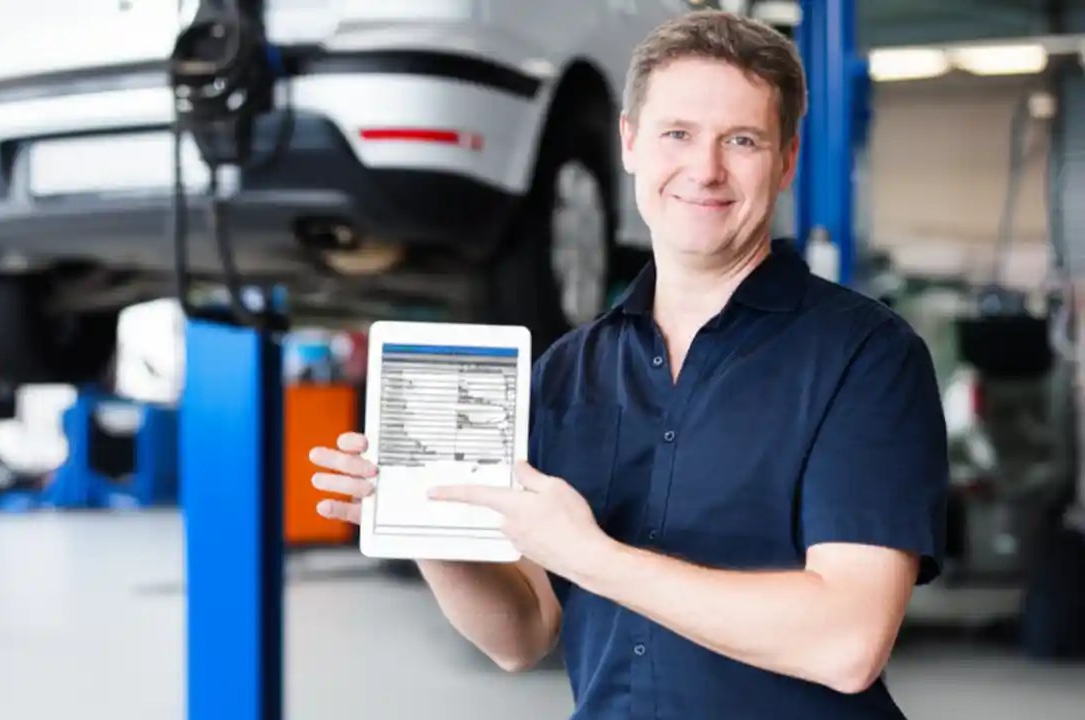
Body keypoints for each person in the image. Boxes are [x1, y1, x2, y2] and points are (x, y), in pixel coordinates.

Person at [309, 10, 947, 719]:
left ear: (787, 161)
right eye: (678, 134)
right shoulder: (566, 371)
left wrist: (592, 556)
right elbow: (523, 633)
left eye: (741, 140)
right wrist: (423, 517)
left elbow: (846, 641)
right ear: (631, 142)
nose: (705, 170)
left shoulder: (867, 358)